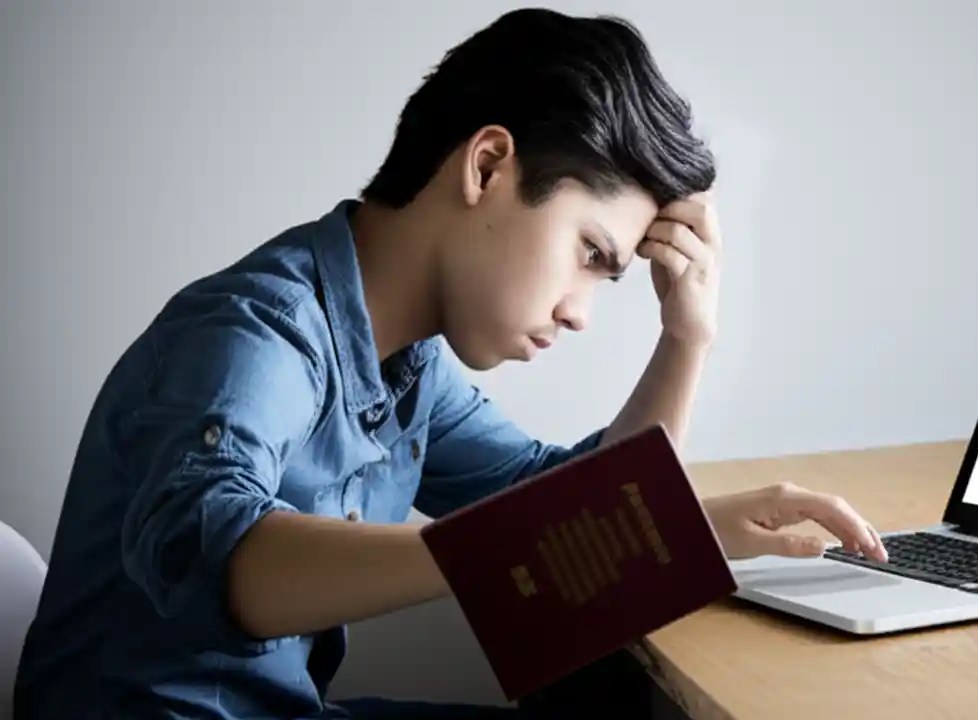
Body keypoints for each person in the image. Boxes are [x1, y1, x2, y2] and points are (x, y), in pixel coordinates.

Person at [13, 8, 887, 719]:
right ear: (488, 165)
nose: (581, 312)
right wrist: (512, 547)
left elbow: (568, 504)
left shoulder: (408, 370)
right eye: (589, 254)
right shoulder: (254, 332)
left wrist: (685, 341)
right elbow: (218, 559)